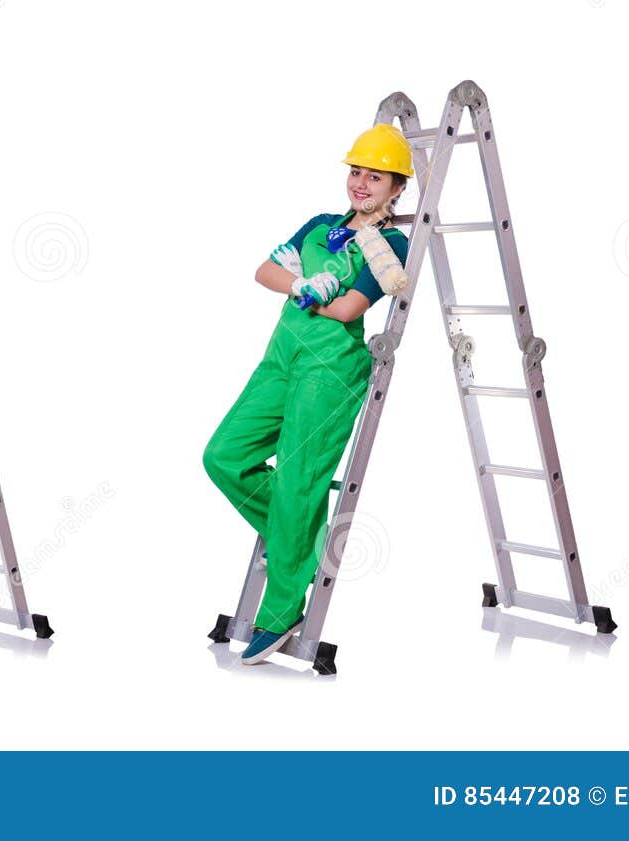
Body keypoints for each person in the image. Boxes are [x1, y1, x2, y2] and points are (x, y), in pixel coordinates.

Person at [203, 124, 413, 665]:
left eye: (376, 176)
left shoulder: (392, 243)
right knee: (224, 454)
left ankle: (280, 611)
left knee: (300, 480)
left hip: (330, 369)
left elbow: (349, 310)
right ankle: (299, 540)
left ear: (397, 188)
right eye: (356, 171)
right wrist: (299, 285)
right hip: (281, 358)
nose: (361, 183)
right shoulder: (321, 225)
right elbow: (265, 270)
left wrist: (320, 295)